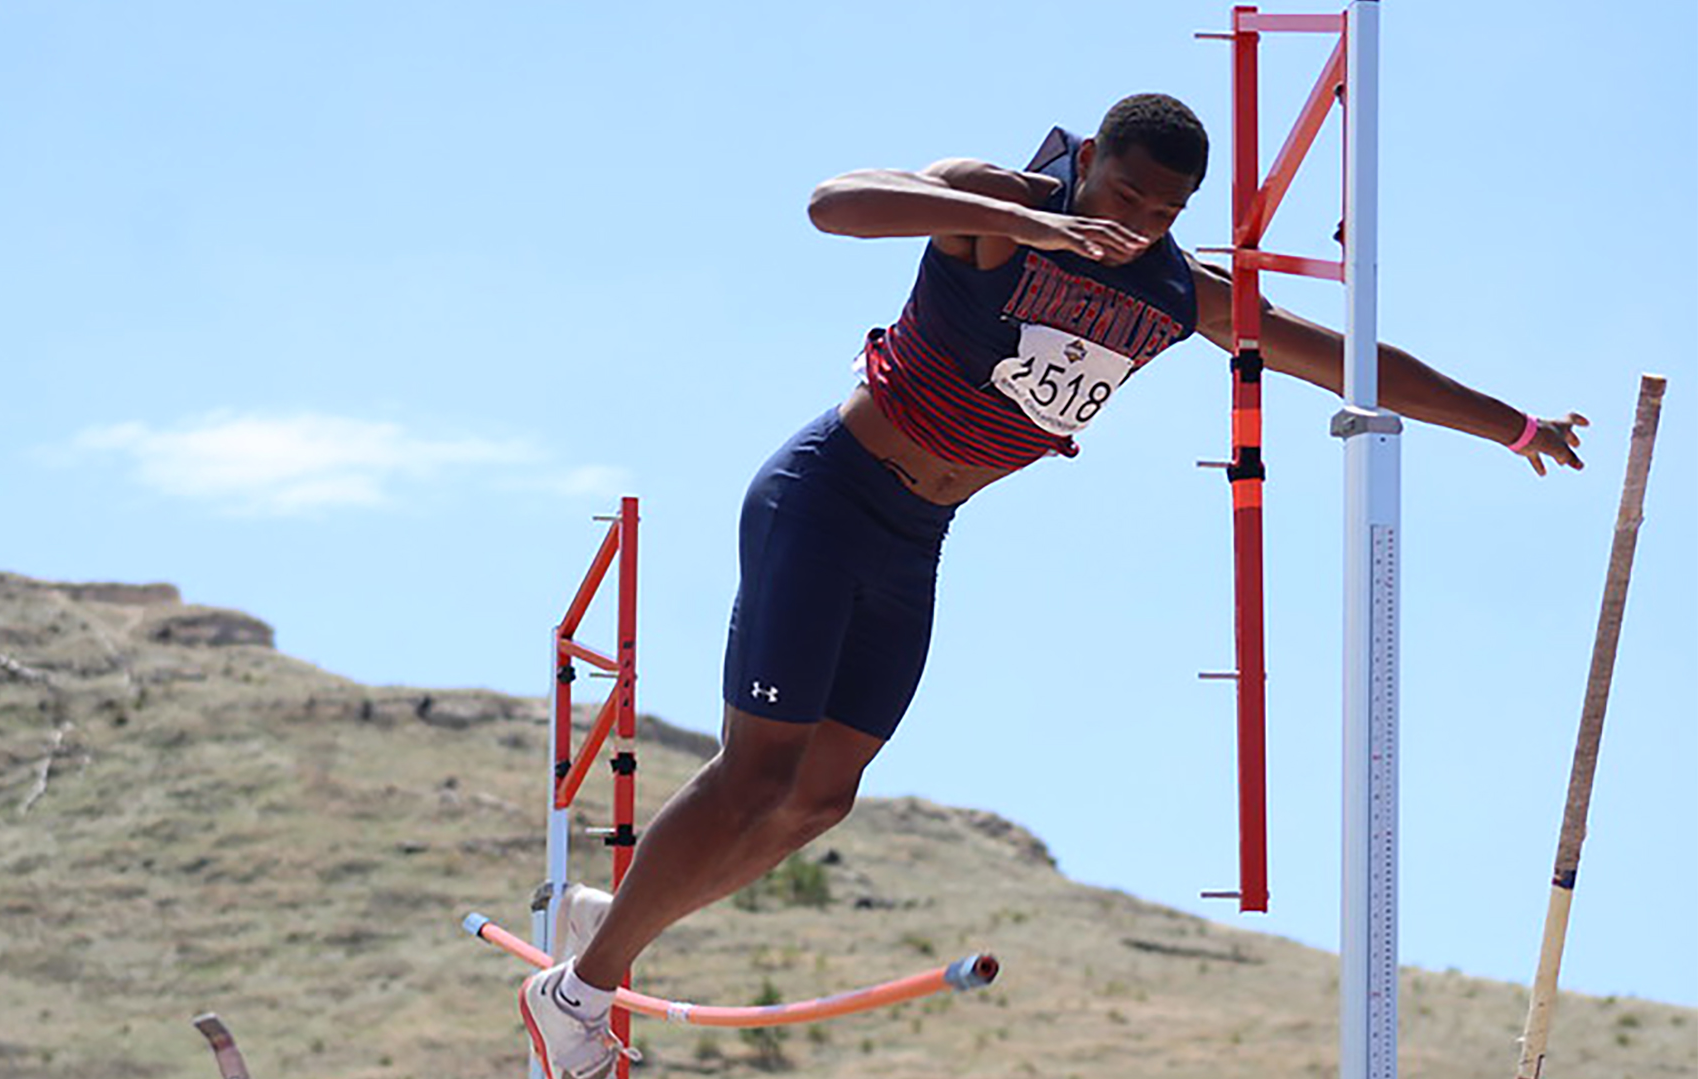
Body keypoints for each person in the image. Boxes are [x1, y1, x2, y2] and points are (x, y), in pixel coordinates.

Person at [519, 93, 1587, 1079]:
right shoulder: (993, 204)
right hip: (828, 496)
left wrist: (1513, 425)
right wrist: (1045, 230)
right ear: (1087, 163)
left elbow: (1339, 359)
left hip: (917, 536)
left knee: (819, 798)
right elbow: (830, 205)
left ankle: (615, 926)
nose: (1144, 220)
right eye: (1126, 194)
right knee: (757, 777)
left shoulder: (1180, 289)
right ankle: (578, 992)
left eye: (1168, 209)